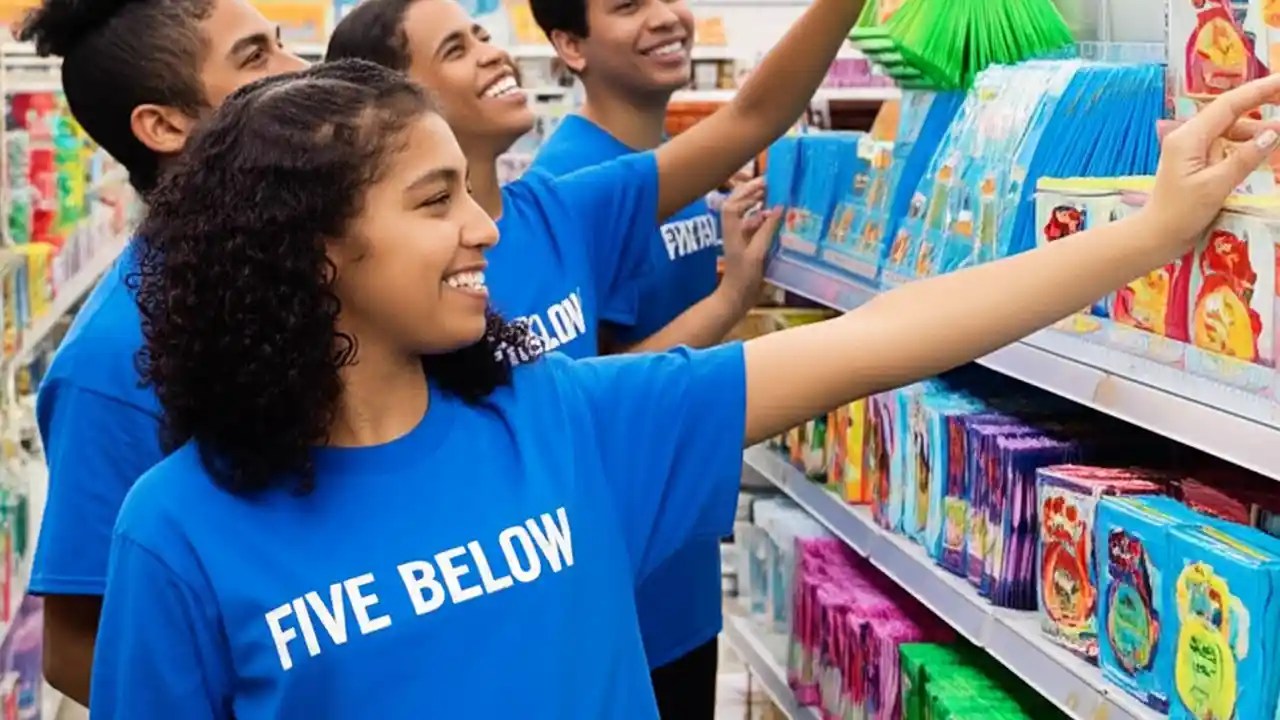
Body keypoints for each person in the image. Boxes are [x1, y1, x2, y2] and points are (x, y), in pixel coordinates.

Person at [89, 59, 1280, 718]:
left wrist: (1148, 232)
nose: (487, 227)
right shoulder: (179, 533)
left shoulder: (562, 422)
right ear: (314, 250)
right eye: (433, 199)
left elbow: (885, 336)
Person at [14, 0, 307, 703]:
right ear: (164, 125)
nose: (298, 71)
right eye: (255, 58)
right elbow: (77, 645)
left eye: (280, 45)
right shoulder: (111, 361)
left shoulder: (314, 256)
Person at [324, 0, 864, 359]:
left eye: (482, 35)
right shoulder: (400, 287)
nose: (493, 53)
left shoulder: (559, 209)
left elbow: (751, 117)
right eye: (457, 50)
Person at [527, 1, 757, 705]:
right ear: (571, 45)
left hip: (684, 577)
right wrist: (728, 302)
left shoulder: (679, 182)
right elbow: (593, 387)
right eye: (628, 6)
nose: (665, 17)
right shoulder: (573, 189)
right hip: (627, 589)